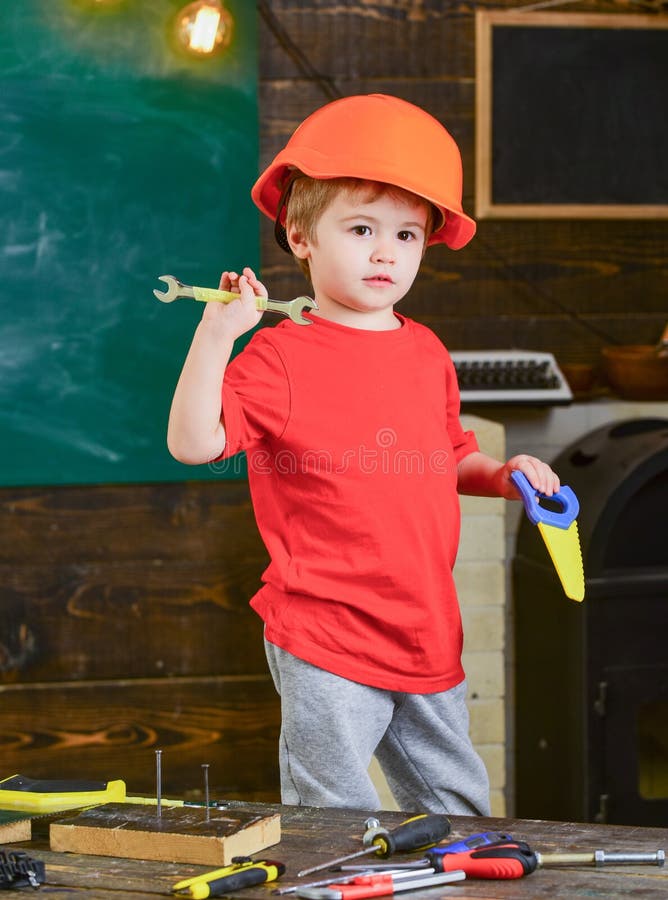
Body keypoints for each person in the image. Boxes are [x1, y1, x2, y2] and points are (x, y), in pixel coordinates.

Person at [168, 94, 560, 816]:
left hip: (426, 628)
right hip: (326, 634)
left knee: (460, 813)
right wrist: (216, 337)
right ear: (300, 235)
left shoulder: (428, 351)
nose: (387, 251)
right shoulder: (278, 354)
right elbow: (194, 444)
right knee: (333, 819)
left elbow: (450, 460)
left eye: (408, 235)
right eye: (361, 228)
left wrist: (509, 478)